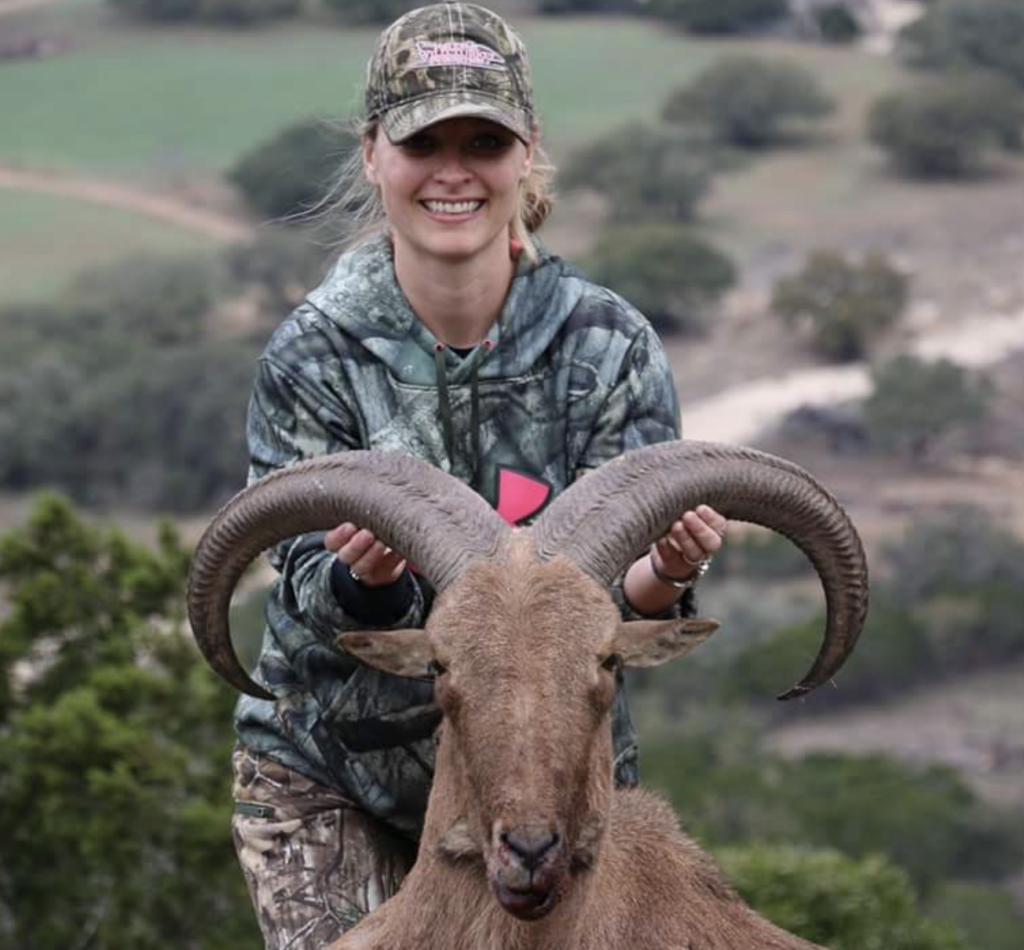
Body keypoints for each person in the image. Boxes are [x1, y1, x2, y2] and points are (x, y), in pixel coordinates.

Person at [229, 3, 728, 948]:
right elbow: (303, 582)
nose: (453, 171)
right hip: (336, 783)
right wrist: (365, 583)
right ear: (374, 154)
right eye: (423, 143)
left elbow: (607, 609)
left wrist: (665, 574)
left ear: (526, 152)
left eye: (485, 142)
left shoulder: (608, 345)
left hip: (553, 795)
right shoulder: (314, 353)